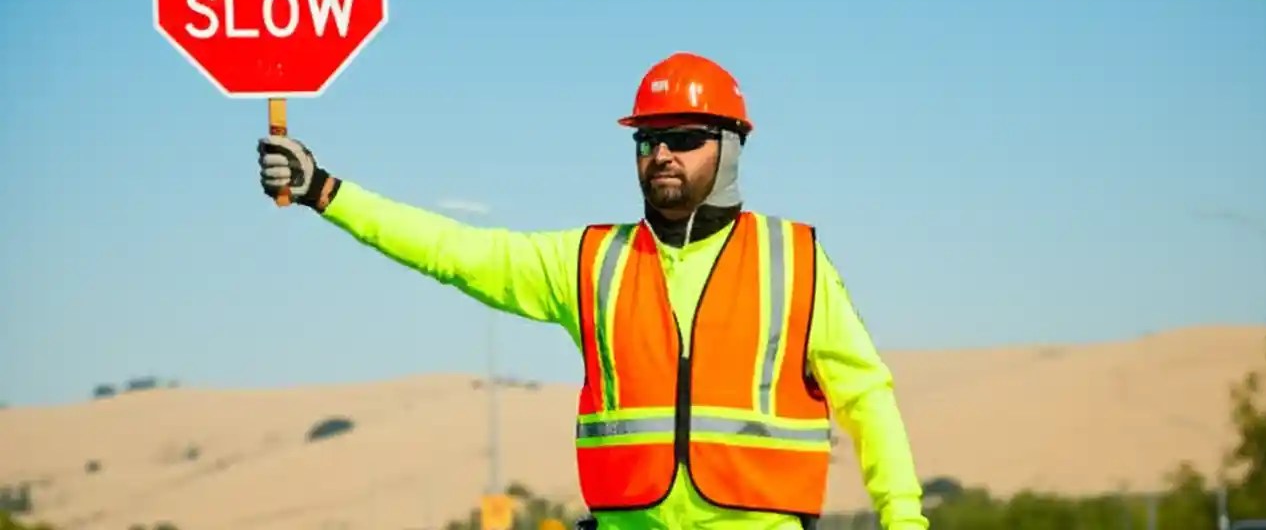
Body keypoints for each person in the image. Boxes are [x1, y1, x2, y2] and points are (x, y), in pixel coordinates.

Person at [257, 52, 930, 530]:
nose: (660, 155)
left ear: (730, 148)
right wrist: (325, 192)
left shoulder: (796, 260)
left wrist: (904, 520)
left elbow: (868, 398)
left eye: (684, 138)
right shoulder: (589, 261)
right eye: (647, 140)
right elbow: (454, 253)